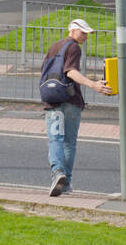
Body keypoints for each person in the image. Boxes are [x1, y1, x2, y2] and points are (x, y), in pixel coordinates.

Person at [43, 18, 113, 196]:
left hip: (52, 99)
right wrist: (93, 85)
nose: (86, 37)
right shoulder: (74, 47)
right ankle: (64, 179)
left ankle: (58, 174)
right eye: (83, 33)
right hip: (70, 100)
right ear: (73, 30)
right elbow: (70, 71)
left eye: (87, 34)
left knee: (55, 139)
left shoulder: (55, 46)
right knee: (69, 143)